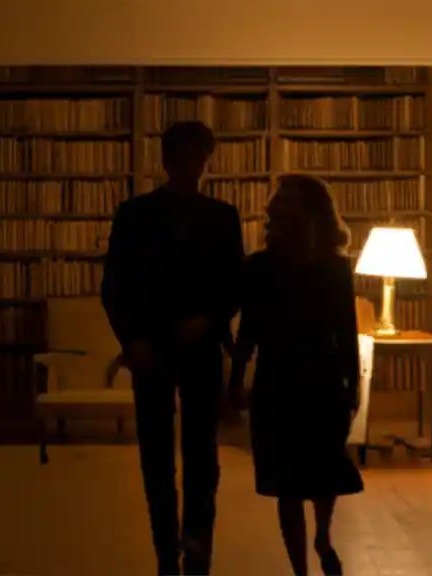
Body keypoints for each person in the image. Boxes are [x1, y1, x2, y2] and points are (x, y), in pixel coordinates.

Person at [101, 121, 245, 575]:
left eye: (199, 158)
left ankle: (197, 550)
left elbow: (233, 284)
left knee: (203, 457)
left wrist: (208, 320)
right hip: (152, 349)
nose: (193, 167)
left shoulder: (223, 216)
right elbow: (114, 288)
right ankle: (167, 553)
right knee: (156, 458)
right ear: (167, 161)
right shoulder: (133, 214)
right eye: (186, 158)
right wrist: (133, 341)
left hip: (199, 347)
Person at [228, 174, 364, 576]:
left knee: (324, 477)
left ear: (310, 210)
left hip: (324, 383)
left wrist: (353, 386)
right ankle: (300, 569)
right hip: (276, 384)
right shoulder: (260, 267)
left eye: (288, 199)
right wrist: (236, 380)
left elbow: (347, 330)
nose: (278, 206)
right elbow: (248, 330)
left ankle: (322, 535)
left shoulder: (335, 268)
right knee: (286, 486)